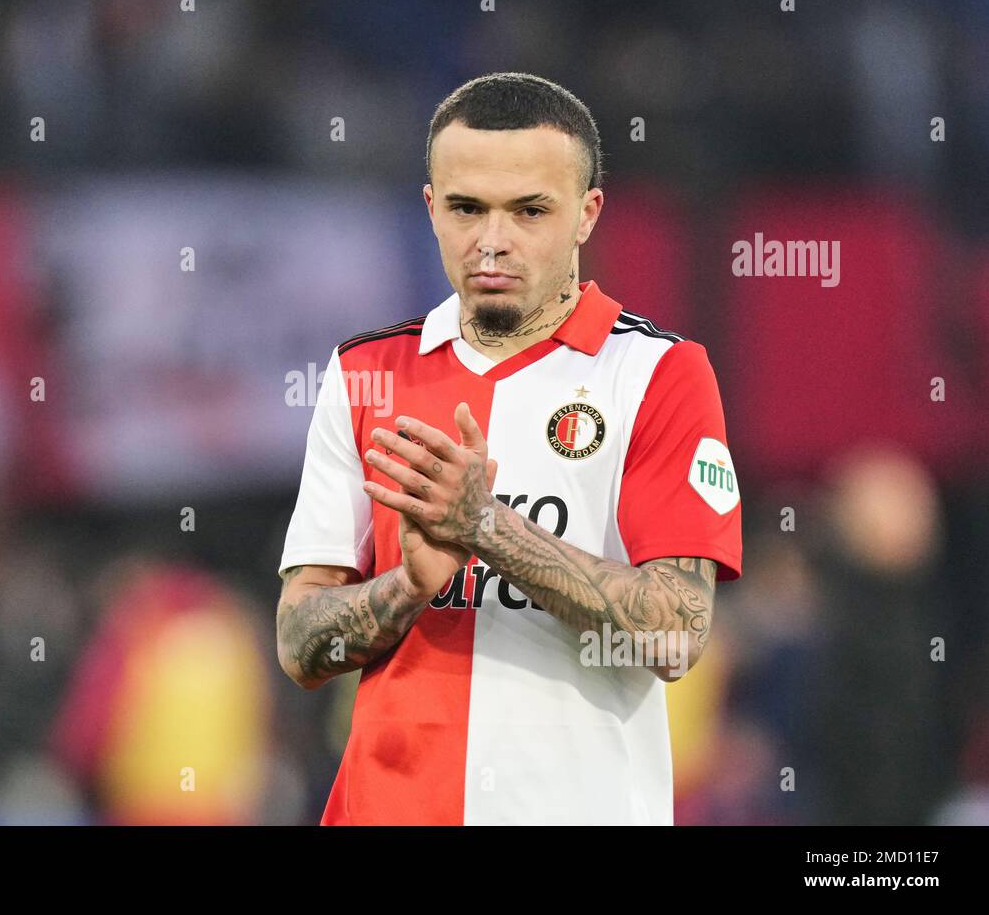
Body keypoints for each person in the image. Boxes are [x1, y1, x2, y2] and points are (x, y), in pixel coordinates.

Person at [276, 72, 742, 825]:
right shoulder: (365, 373)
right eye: (466, 208)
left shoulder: (658, 373)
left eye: (530, 211)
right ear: (431, 208)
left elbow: (676, 632)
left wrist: (488, 528)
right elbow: (299, 646)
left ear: (588, 214)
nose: (493, 241)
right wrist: (406, 587)